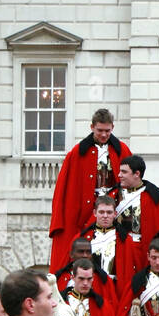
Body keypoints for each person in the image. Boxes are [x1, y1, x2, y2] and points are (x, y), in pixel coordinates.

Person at [49, 108, 131, 269]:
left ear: (112, 128)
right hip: (84, 213)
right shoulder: (76, 153)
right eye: (100, 130)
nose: (103, 135)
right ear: (92, 127)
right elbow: (63, 188)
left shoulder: (122, 150)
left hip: (113, 207)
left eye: (107, 131)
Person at [114, 155, 159, 290]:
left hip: (143, 249)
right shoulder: (114, 194)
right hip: (120, 248)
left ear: (137, 174)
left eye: (124, 172)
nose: (119, 175)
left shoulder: (156, 195)